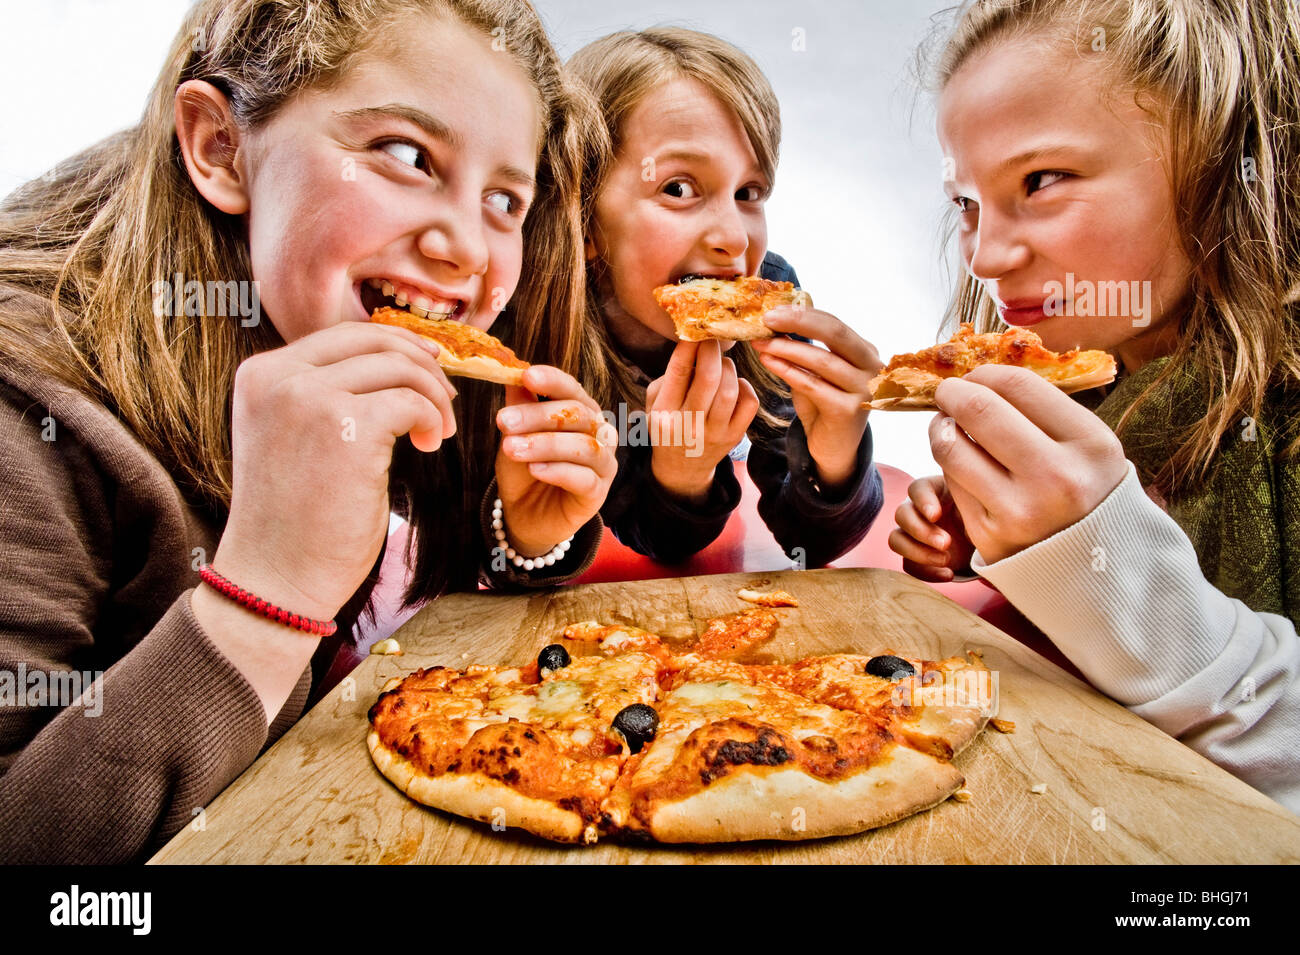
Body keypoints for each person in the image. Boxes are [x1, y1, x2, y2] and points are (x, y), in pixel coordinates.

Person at [0, 0, 616, 863]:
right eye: (405, 155)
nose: (469, 250)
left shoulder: (323, 324)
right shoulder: (23, 408)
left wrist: (523, 538)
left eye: (505, 198)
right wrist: (263, 601)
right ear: (219, 146)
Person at [890, 0, 1300, 813]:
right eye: (967, 204)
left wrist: (1096, 557)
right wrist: (997, 533)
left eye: (1040, 181)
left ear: (1222, 162)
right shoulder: (1085, 380)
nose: (986, 255)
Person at [567, 28, 886, 567]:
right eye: (678, 188)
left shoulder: (771, 301)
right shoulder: (545, 325)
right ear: (583, 215)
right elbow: (652, 542)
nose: (735, 239)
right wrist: (681, 475)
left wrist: (834, 456)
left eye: (749, 193)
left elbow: (810, 548)